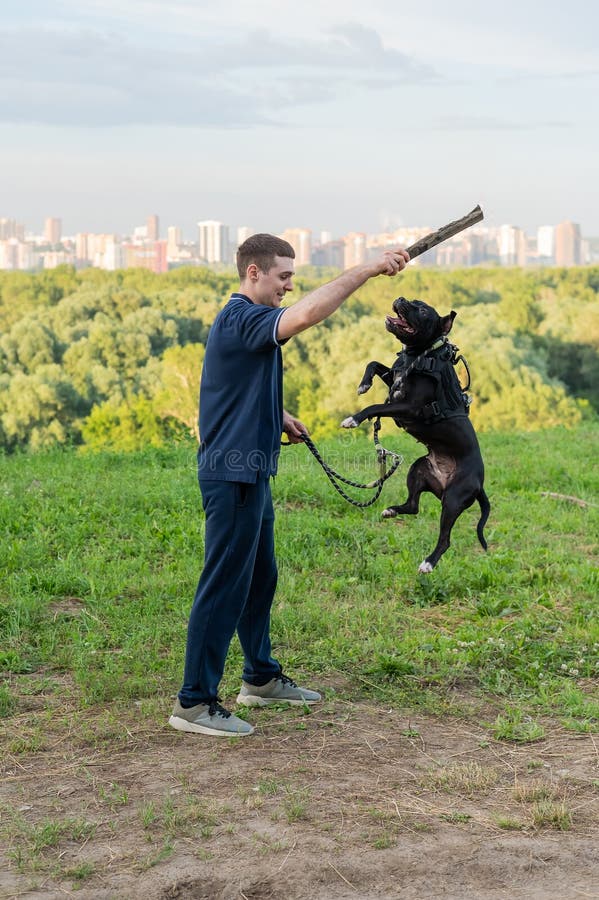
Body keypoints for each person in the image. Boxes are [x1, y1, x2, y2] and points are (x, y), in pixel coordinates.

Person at [169, 234, 410, 736]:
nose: (288, 287)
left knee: (260, 578)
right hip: (231, 474)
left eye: (292, 279)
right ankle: (193, 702)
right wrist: (365, 270)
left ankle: (258, 678)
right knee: (224, 586)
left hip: (251, 469)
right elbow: (304, 315)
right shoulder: (242, 317)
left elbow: (230, 384)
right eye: (283, 277)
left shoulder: (246, 325)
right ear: (253, 273)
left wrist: (276, 414)